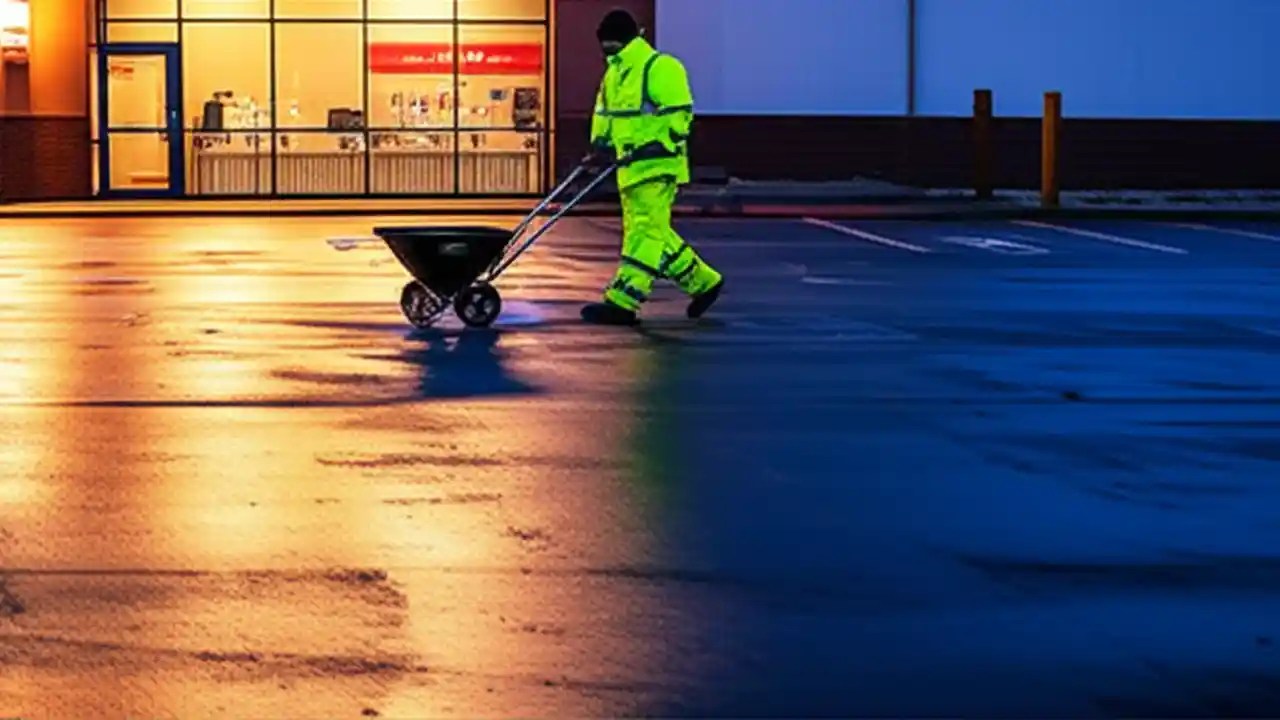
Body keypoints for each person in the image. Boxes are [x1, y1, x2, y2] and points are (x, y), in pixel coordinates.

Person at [579, 8, 724, 326]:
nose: (608, 51)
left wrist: (654, 144)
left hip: (657, 166)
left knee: (644, 232)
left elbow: (679, 117)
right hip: (628, 168)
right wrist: (597, 148)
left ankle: (623, 301)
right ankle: (704, 282)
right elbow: (605, 118)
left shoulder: (660, 67)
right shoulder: (614, 73)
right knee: (653, 232)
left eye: (613, 45)